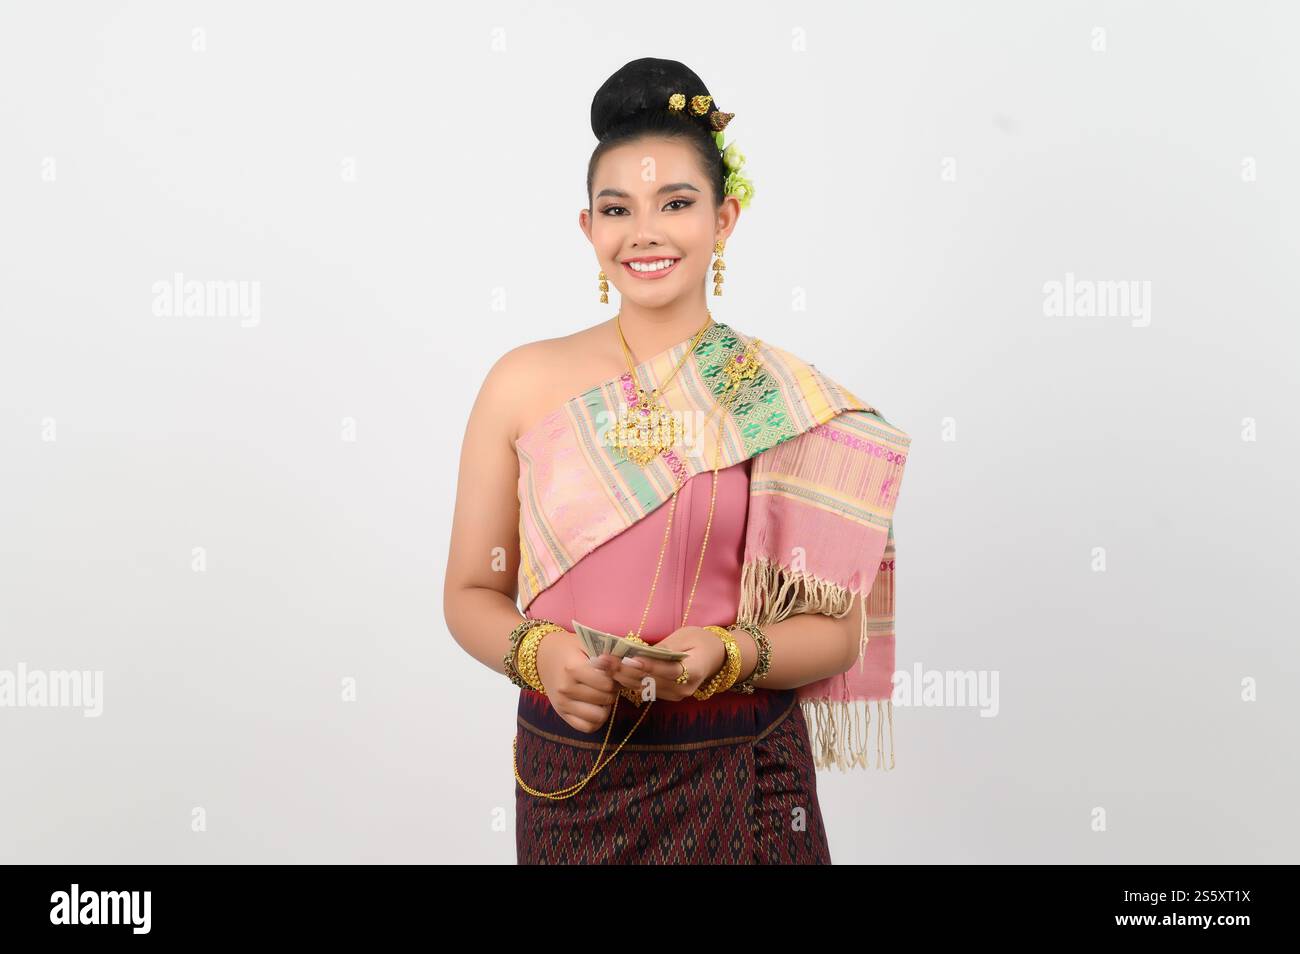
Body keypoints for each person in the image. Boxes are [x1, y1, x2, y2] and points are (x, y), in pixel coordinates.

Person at [443, 57, 910, 864]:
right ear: (588, 227)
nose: (646, 232)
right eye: (617, 208)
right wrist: (543, 655)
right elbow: (470, 593)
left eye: (677, 204)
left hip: (742, 766)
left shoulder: (777, 395)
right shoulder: (519, 384)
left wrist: (731, 654)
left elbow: (839, 631)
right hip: (572, 770)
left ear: (724, 219)